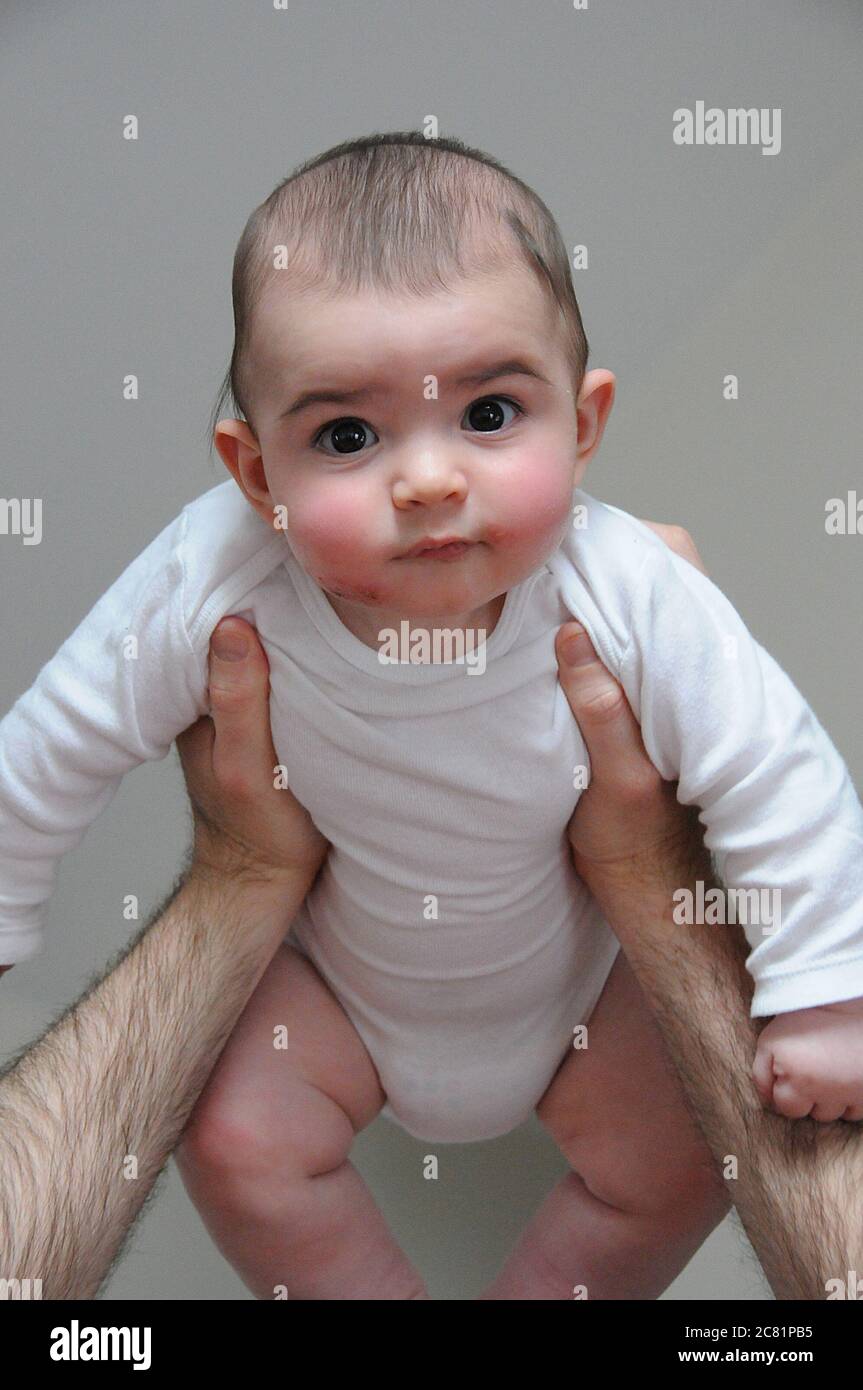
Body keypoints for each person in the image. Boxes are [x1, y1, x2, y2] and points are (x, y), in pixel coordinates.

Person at [3, 131, 863, 1300]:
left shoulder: (625, 581)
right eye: (346, 436)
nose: (426, 478)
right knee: (236, 1146)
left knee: (688, 1157)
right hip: (336, 1002)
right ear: (256, 476)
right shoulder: (214, 571)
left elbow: (774, 766)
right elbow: (55, 744)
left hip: (576, 998)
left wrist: (821, 989)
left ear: (584, 419)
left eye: (491, 413)